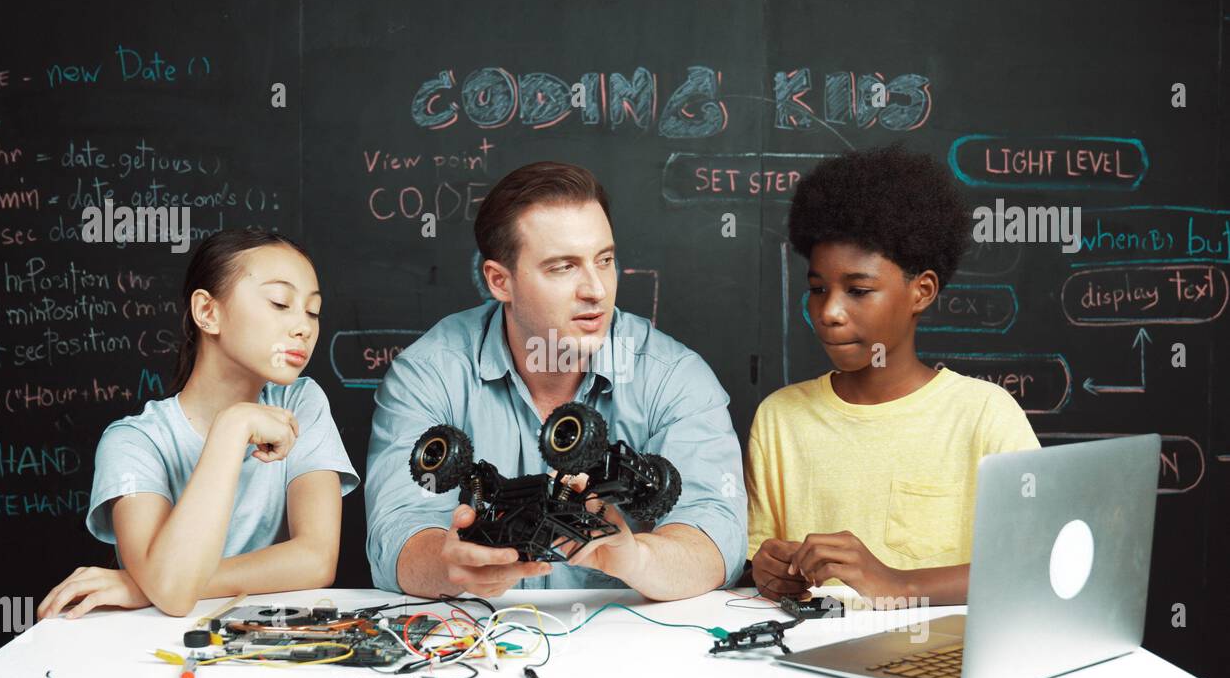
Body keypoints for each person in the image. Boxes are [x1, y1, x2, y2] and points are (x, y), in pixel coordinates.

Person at [366, 161, 746, 600]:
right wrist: (449, 564)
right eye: (563, 267)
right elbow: (395, 534)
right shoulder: (430, 373)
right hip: (477, 643)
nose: (597, 290)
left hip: (619, 648)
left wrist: (636, 558)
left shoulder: (673, 376)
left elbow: (718, 536)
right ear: (499, 280)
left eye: (604, 260)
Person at [746, 144, 1040, 606]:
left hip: (941, 660)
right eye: (818, 289)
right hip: (804, 662)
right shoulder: (780, 419)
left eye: (859, 290)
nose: (830, 312)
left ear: (921, 292)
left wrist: (897, 584)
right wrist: (764, 570)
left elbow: (1034, 564)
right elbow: (759, 556)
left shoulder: (984, 415)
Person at [38, 229, 359, 619]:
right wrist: (232, 428)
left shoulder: (301, 402)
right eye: (280, 303)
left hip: (270, 643)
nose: (304, 327)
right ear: (208, 312)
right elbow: (172, 595)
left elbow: (316, 559)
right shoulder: (133, 443)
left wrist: (145, 585)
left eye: (312, 311)